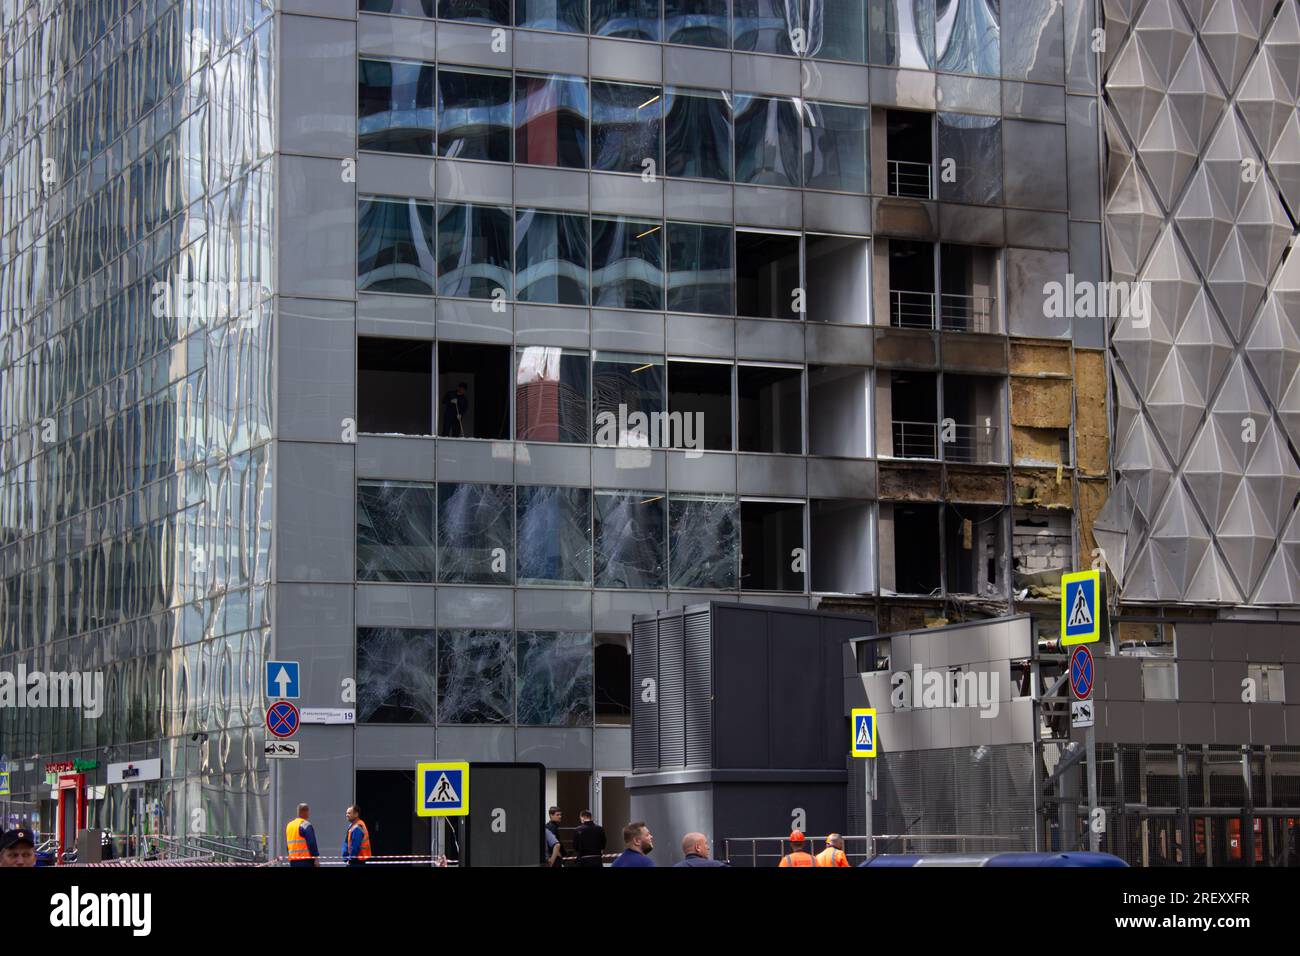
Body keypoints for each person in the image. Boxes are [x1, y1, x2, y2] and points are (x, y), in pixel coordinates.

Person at [286, 803, 320, 867]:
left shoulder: (289, 825)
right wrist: (316, 858)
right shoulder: (305, 825)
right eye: (307, 811)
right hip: (305, 861)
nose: (308, 813)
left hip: (293, 861)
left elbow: (288, 846)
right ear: (304, 812)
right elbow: (311, 843)